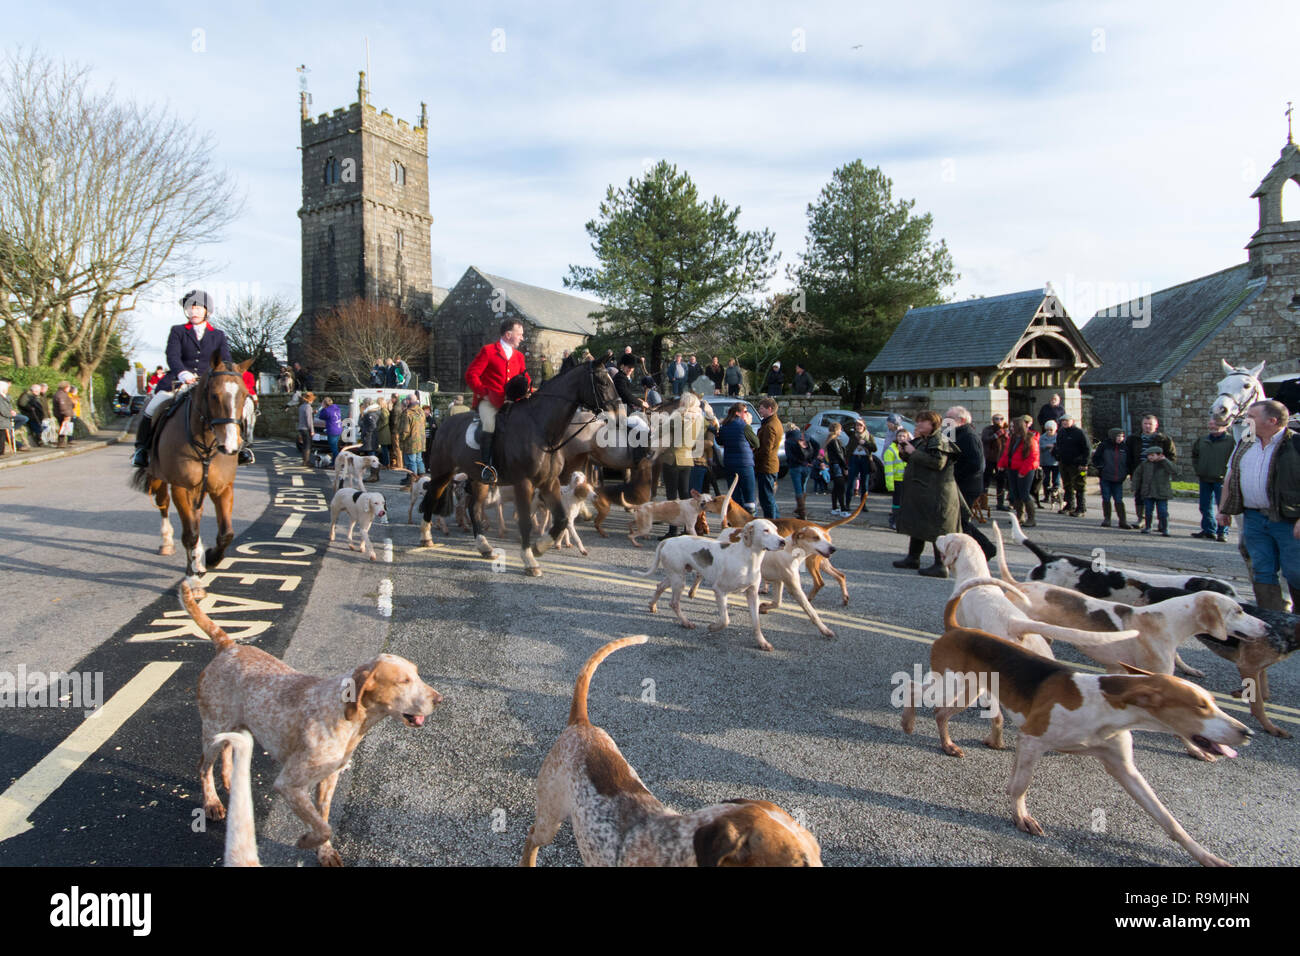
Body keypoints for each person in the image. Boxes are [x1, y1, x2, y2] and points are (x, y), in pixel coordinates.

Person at [132, 289, 253, 467]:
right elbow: (172, 356)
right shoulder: (178, 331)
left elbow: (226, 360)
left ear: (206, 311)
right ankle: (142, 449)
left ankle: (242, 447)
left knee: (244, 405)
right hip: (179, 380)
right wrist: (184, 374)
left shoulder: (218, 335)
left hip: (210, 381)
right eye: (189, 308)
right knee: (153, 404)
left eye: (197, 308)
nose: (193, 311)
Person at [1217, 400, 1300, 611]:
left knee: (1295, 571)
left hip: (1288, 520)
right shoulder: (1245, 442)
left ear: (1272, 421)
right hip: (1253, 519)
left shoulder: (1297, 444)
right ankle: (1274, 622)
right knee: (1262, 571)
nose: (1247, 420)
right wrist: (1223, 508)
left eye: (1252, 417)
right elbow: (1231, 476)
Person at [892, 410, 966, 577]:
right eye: (918, 421)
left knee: (937, 528)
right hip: (923, 491)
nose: (918, 424)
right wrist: (904, 453)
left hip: (937, 493)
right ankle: (913, 558)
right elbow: (915, 459)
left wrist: (913, 452)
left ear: (933, 424)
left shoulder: (940, 439)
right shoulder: (923, 440)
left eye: (922, 422)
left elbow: (938, 463)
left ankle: (941, 565)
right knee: (919, 523)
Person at [465, 317, 530, 482]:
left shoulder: (519, 356)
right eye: (520, 334)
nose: (522, 338)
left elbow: (525, 376)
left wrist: (528, 387)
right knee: (489, 425)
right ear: (508, 334)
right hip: (490, 401)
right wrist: (483, 392)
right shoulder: (488, 351)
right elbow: (471, 374)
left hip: (513, 401)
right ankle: (487, 467)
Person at [946, 405, 996, 557]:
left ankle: (986, 548)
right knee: (957, 520)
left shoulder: (968, 436)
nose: (946, 421)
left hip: (967, 485)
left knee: (961, 520)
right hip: (961, 483)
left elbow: (975, 464)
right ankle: (971, 550)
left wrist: (955, 474)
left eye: (950, 418)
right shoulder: (955, 434)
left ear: (961, 420)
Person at [659, 392, 704, 539]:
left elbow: (661, 432)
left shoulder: (677, 417)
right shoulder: (699, 419)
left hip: (672, 459)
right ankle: (687, 528)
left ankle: (673, 530)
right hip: (687, 459)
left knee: (672, 497)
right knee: (685, 495)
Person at [1126, 414, 1176, 527]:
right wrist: (1131, 472)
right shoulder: (1133, 439)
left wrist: (1164, 466)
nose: (1147, 426)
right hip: (1140, 472)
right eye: (1145, 424)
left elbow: (1172, 457)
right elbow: (1128, 457)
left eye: (1150, 424)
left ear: (1156, 425)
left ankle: (1162, 522)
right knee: (1139, 496)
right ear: (1142, 425)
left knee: (1160, 498)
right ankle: (1142, 519)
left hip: (1158, 474)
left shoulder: (1164, 440)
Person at [1191, 419, 1234, 541]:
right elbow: (1195, 455)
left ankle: (1222, 532)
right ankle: (1208, 530)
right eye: (1210, 424)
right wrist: (1198, 469)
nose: (1212, 426)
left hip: (1222, 479)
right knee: (1204, 506)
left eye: (1215, 423)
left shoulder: (1231, 441)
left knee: (1223, 507)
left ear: (1224, 425)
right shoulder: (1202, 439)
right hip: (1204, 477)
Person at [716, 403, 758, 515]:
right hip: (745, 464)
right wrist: (748, 424)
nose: (747, 414)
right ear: (737, 413)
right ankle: (750, 519)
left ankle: (735, 520)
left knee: (734, 494)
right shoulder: (745, 426)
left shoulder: (724, 426)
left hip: (730, 464)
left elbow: (720, 441)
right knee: (749, 495)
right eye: (745, 411)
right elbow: (756, 443)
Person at [999, 415, 1041, 527]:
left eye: (1013, 426)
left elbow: (1033, 457)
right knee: (1015, 493)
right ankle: (1019, 516)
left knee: (1024, 494)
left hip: (1025, 470)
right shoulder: (1012, 438)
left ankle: (1031, 518)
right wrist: (1001, 464)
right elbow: (1006, 453)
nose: (1011, 428)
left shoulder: (1030, 439)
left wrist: (1023, 471)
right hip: (1012, 469)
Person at [1092, 428, 1132, 528]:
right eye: (1118, 436)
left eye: (1122, 436)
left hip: (1119, 478)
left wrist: (1126, 472)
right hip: (1105, 476)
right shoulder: (1104, 446)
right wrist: (1101, 468)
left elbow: (1129, 462)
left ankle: (1122, 521)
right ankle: (1107, 519)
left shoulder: (1125, 447)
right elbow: (1096, 458)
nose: (1120, 438)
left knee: (1118, 499)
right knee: (1106, 498)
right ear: (1113, 436)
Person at [1055, 413, 1091, 517]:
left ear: (1072, 421)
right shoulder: (1061, 432)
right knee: (1067, 485)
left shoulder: (1079, 433)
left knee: (1080, 486)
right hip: (1064, 463)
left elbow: (1087, 449)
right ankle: (1069, 505)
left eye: (1067, 420)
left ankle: (1081, 508)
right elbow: (1058, 446)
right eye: (1063, 421)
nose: (1065, 422)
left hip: (1078, 465)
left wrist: (1084, 463)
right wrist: (1057, 455)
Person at [1133, 447, 1175, 535]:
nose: (1150, 457)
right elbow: (1137, 475)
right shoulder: (1144, 464)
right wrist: (1135, 487)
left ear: (1160, 455)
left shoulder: (1165, 463)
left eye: (1153, 455)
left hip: (1162, 492)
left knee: (1162, 511)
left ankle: (1165, 528)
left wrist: (1165, 460)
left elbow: (1174, 470)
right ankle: (1148, 527)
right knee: (1148, 510)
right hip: (1148, 492)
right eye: (1149, 455)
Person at [755, 397, 783, 520]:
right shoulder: (774, 422)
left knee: (767, 498)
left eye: (761, 408)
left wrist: (754, 456)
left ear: (769, 409)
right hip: (770, 465)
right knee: (769, 496)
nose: (759, 410)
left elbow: (766, 450)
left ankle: (772, 522)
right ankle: (776, 520)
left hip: (766, 466)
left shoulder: (769, 426)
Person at [845, 419, 876, 512]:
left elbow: (874, 448)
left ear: (864, 427)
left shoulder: (869, 436)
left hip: (865, 460)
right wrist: (854, 421)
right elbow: (845, 427)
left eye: (860, 425)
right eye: (857, 425)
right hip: (854, 459)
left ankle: (863, 505)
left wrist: (865, 443)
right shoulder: (852, 435)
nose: (858, 427)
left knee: (865, 483)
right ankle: (847, 504)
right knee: (851, 482)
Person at [784, 423, 814, 519]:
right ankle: (800, 507)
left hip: (795, 467)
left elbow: (790, 456)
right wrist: (811, 461)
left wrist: (799, 462)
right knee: (803, 486)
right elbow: (816, 445)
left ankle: (802, 512)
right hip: (807, 466)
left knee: (798, 489)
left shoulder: (788, 441)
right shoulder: (805, 436)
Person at [981, 413, 1009, 511]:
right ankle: (983, 502)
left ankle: (1000, 503)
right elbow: (985, 439)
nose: (999, 420)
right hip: (990, 458)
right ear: (993, 420)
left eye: (1001, 419)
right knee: (986, 481)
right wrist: (996, 435)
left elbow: (1010, 442)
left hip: (1001, 459)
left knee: (1001, 481)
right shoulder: (988, 429)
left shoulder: (1006, 430)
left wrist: (1005, 435)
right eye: (997, 418)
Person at [397, 396, 426, 484]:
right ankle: (421, 477)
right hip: (420, 440)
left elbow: (405, 430)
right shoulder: (421, 411)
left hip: (410, 441)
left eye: (406, 400)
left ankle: (412, 479)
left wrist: (401, 439)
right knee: (419, 459)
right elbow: (424, 424)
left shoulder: (407, 413)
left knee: (411, 461)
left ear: (408, 401)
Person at [883, 424, 906, 531]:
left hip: (906, 481)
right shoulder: (891, 450)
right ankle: (893, 521)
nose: (901, 438)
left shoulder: (908, 449)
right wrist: (890, 484)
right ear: (896, 437)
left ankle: (900, 522)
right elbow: (888, 469)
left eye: (904, 436)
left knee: (904, 503)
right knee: (897, 503)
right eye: (900, 436)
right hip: (896, 481)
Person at [824, 421, 849, 517]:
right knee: (841, 488)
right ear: (837, 430)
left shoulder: (829, 440)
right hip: (837, 466)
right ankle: (843, 509)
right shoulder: (835, 441)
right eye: (840, 429)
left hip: (833, 466)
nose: (841, 431)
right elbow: (840, 455)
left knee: (835, 488)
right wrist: (845, 467)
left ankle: (834, 508)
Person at [0, 379, 26, 455]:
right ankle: (1, 453)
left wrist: (11, 411)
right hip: (2, 420)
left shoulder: (4, 396)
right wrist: (10, 414)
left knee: (3, 436)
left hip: (5, 420)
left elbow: (7, 407)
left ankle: (3, 451)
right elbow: (3, 410)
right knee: (2, 436)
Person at [17, 383, 48, 448]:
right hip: (31, 415)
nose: (39, 392)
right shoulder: (27, 395)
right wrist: (30, 408)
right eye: (38, 391)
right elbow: (22, 403)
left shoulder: (34, 396)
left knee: (39, 428)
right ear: (35, 390)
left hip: (36, 415)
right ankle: (39, 442)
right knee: (37, 428)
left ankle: (40, 441)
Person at [1037, 420, 1060, 504]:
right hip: (1045, 461)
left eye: (1051, 430)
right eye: (1047, 429)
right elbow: (1038, 447)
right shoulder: (1042, 437)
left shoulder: (1058, 437)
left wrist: (1054, 447)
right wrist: (1047, 446)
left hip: (1055, 462)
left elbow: (1061, 446)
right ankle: (1046, 496)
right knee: (1046, 480)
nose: (1049, 431)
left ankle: (1056, 496)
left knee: (1056, 480)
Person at [317, 396, 343, 462]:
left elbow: (321, 416)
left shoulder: (327, 410)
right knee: (335, 446)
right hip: (339, 428)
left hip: (332, 430)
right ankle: (333, 461)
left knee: (334, 448)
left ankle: (337, 462)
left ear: (325, 404)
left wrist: (322, 408)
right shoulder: (337, 408)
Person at [51, 381, 76, 447]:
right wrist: (67, 414)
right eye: (68, 387)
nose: (69, 388)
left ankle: (62, 442)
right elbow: (63, 406)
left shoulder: (62, 394)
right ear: (65, 387)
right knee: (63, 428)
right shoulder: (61, 395)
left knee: (64, 428)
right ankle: (61, 443)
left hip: (63, 413)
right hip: (63, 414)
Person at [297, 392, 316, 468]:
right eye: (312, 399)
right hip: (306, 428)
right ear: (310, 400)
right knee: (307, 446)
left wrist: (312, 412)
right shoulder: (308, 407)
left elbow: (305, 416)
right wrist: (312, 430)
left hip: (301, 428)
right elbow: (309, 420)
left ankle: (304, 460)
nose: (313, 401)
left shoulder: (301, 406)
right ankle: (306, 461)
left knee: (304, 445)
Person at [376, 396, 394, 468]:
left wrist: (378, 428)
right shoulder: (384, 410)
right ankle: (386, 463)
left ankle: (386, 464)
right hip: (384, 432)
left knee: (384, 450)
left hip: (384, 433)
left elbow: (385, 421)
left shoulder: (383, 410)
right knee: (384, 449)